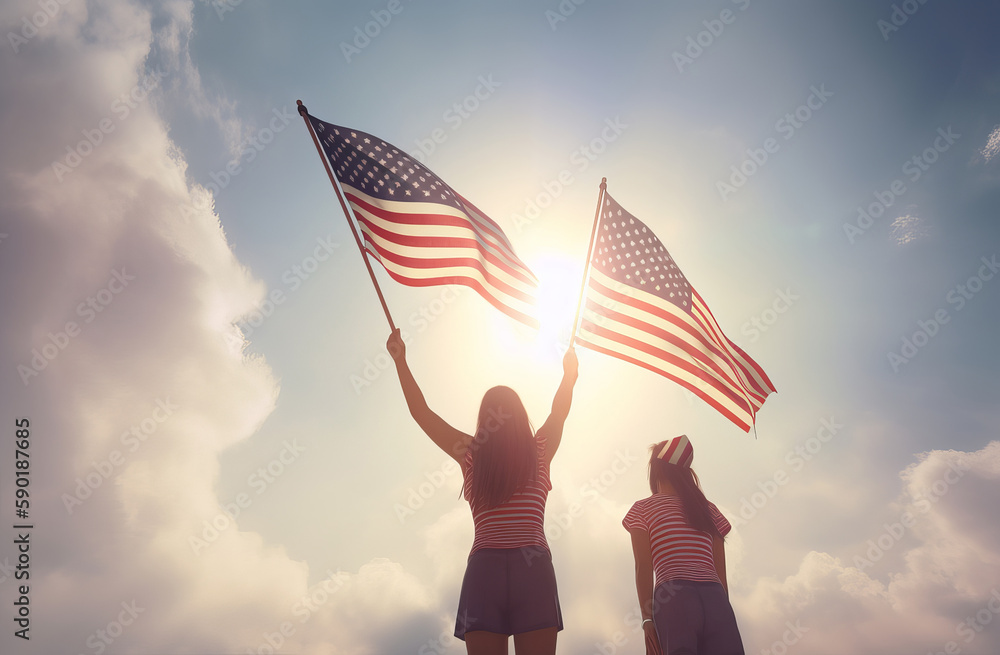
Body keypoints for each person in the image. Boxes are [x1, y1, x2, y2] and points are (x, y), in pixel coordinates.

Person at [386, 328, 579, 655]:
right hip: (532, 568)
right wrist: (569, 375)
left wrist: (400, 361)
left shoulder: (470, 453)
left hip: (484, 571)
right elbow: (558, 410)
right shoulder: (540, 450)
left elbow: (422, 413)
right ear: (521, 416)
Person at [623, 435, 744, 655]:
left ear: (656, 469)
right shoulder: (708, 510)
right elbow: (720, 574)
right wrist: (722, 611)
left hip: (674, 598)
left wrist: (647, 619)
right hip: (715, 598)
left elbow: (643, 567)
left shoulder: (642, 509)